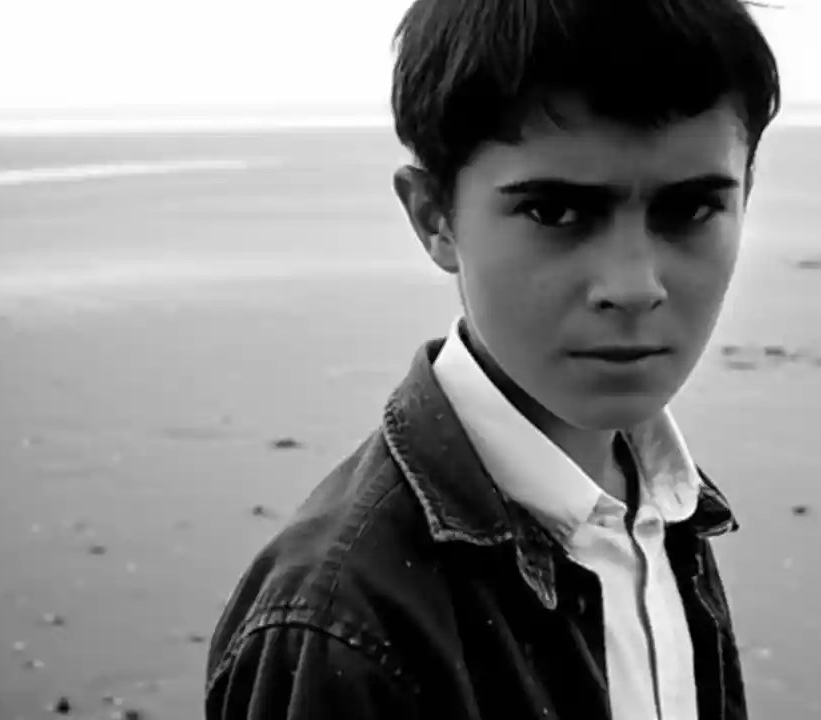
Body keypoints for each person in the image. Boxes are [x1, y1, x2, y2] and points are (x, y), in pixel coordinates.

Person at [204, 0, 780, 717]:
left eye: (690, 210)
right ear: (434, 217)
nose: (634, 288)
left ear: (745, 199)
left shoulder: (662, 503)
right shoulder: (342, 623)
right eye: (555, 213)